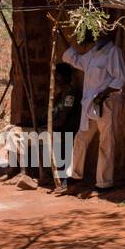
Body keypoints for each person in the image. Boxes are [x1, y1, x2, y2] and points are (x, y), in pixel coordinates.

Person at [59, 27, 125, 194]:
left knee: (106, 142)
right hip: (90, 105)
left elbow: (120, 78)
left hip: (106, 104)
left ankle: (104, 183)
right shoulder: (93, 54)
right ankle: (75, 176)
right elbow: (74, 59)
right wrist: (59, 35)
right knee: (81, 139)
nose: (97, 36)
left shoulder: (113, 52)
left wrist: (103, 95)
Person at [50, 62, 83, 192]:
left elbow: (64, 114)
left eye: (58, 76)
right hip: (61, 128)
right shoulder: (61, 92)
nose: (56, 79)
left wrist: (55, 127)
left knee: (62, 148)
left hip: (67, 128)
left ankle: (65, 181)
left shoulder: (70, 93)